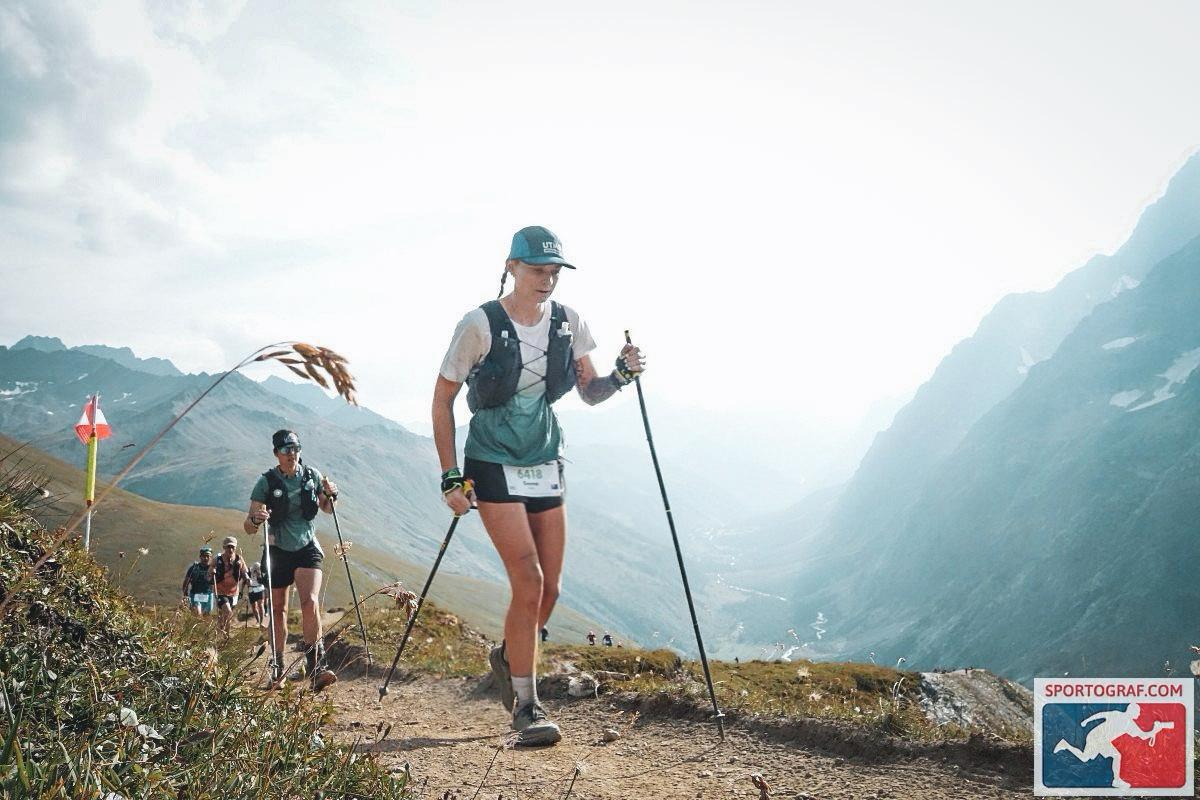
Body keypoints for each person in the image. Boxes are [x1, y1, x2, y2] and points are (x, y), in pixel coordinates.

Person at [433, 225, 644, 746]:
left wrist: (621, 375)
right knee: (527, 580)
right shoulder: (480, 324)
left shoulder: (569, 323)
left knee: (551, 589)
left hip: (546, 458)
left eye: (553, 272)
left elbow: (591, 391)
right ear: (511, 266)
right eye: (537, 270)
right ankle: (527, 706)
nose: (547, 280)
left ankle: (509, 655)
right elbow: (442, 401)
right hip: (492, 459)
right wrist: (451, 476)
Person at [243, 429, 340, 691]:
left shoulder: (312, 475)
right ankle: (278, 667)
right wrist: (256, 519)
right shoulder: (266, 482)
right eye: (286, 450)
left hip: (307, 546)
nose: (292, 454)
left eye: (296, 449)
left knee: (310, 601)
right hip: (277, 549)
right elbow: (248, 526)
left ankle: (317, 666)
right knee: (278, 609)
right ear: (276, 453)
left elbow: (327, 508)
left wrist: (331, 494)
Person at [211, 536, 246, 635]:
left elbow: (244, 572)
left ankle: (220, 636)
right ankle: (226, 636)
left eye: (232, 547)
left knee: (224, 616)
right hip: (220, 592)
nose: (230, 549)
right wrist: (212, 571)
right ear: (224, 547)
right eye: (228, 547)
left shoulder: (239, 559)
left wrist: (247, 579)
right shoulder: (217, 559)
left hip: (234, 593)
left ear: (235, 547)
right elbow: (209, 573)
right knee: (228, 612)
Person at [181, 547, 215, 616]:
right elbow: (186, 583)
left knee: (206, 616)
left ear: (211, 557)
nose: (206, 558)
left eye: (208, 556)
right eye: (204, 556)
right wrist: (185, 595)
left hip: (208, 595)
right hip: (195, 595)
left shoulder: (213, 569)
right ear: (200, 557)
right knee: (197, 615)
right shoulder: (194, 568)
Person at [245, 560, 266, 628]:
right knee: (254, 607)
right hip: (251, 590)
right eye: (256, 569)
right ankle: (258, 621)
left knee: (261, 605)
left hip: (260, 589)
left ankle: (261, 622)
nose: (257, 570)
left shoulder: (262, 572)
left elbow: (263, 581)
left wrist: (258, 575)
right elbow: (245, 581)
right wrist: (247, 581)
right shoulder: (249, 571)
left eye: (258, 568)